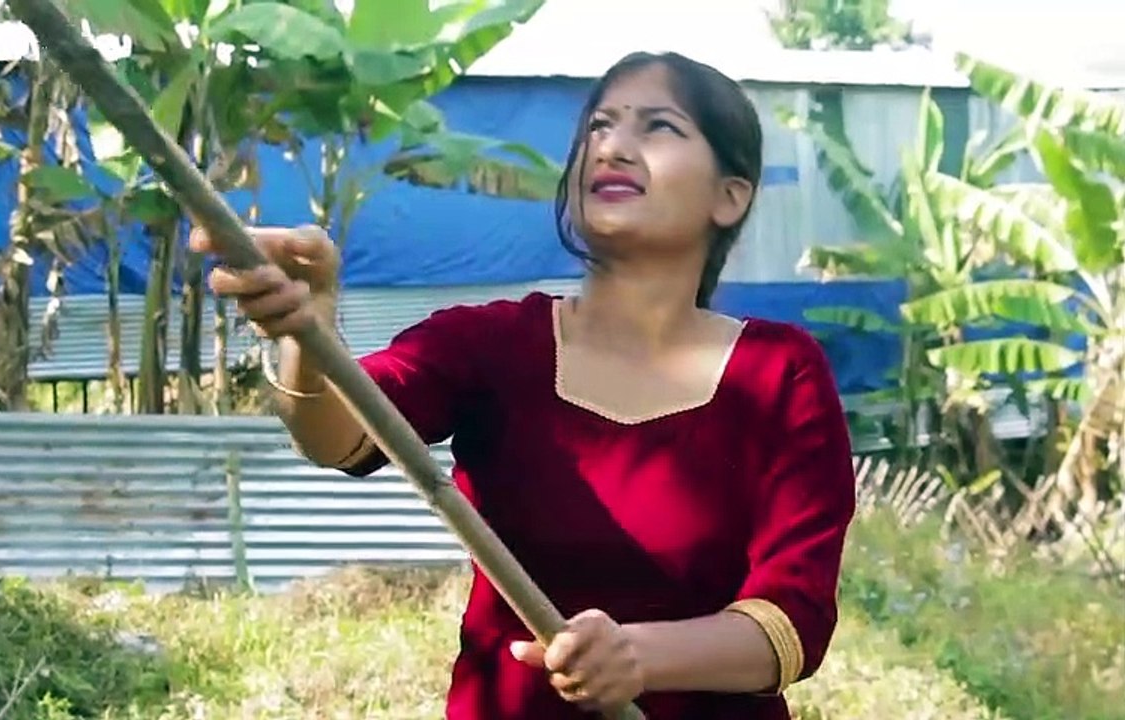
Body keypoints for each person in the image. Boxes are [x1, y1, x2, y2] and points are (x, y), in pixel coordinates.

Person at [191, 50, 857, 720]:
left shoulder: (780, 372)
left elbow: (792, 622)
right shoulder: (492, 344)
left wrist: (635, 657)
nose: (613, 146)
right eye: (600, 126)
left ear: (729, 195)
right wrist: (308, 337)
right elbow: (341, 436)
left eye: (658, 127)